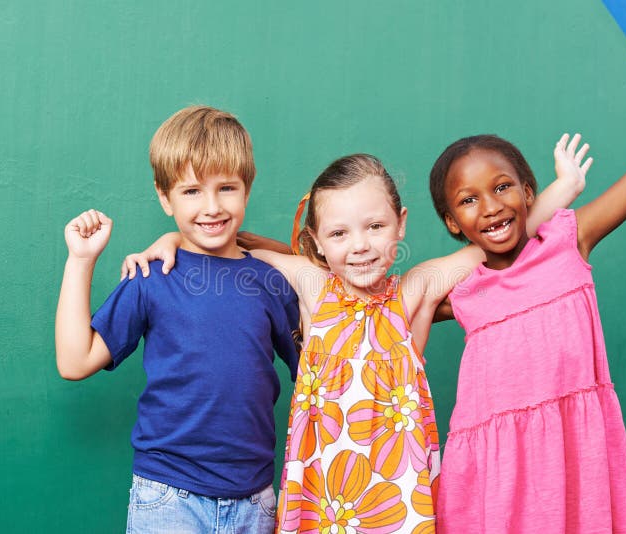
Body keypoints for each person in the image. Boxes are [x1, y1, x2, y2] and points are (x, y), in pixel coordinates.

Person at [123, 136, 591, 532]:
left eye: (376, 226)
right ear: (317, 244)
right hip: (322, 500)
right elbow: (223, 244)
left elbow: (498, 239)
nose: (361, 245)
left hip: (400, 504)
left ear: (401, 224)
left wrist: (564, 187)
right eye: (340, 233)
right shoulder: (313, 286)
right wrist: (168, 243)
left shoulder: (414, 292)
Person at [427, 11, 626, 533]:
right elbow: (380, 305)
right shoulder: (463, 291)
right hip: (494, 476)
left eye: (503, 187)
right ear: (451, 221)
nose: (490, 206)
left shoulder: (568, 240)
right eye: (469, 199)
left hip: (573, 461)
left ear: (530, 192)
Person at [55, 105, 301, 534]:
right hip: (168, 498)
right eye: (190, 191)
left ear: (247, 188)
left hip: (256, 500)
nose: (211, 206)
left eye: (227, 187)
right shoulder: (152, 276)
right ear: (164, 197)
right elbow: (75, 361)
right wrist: (80, 260)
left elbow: (318, 374)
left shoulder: (271, 280)